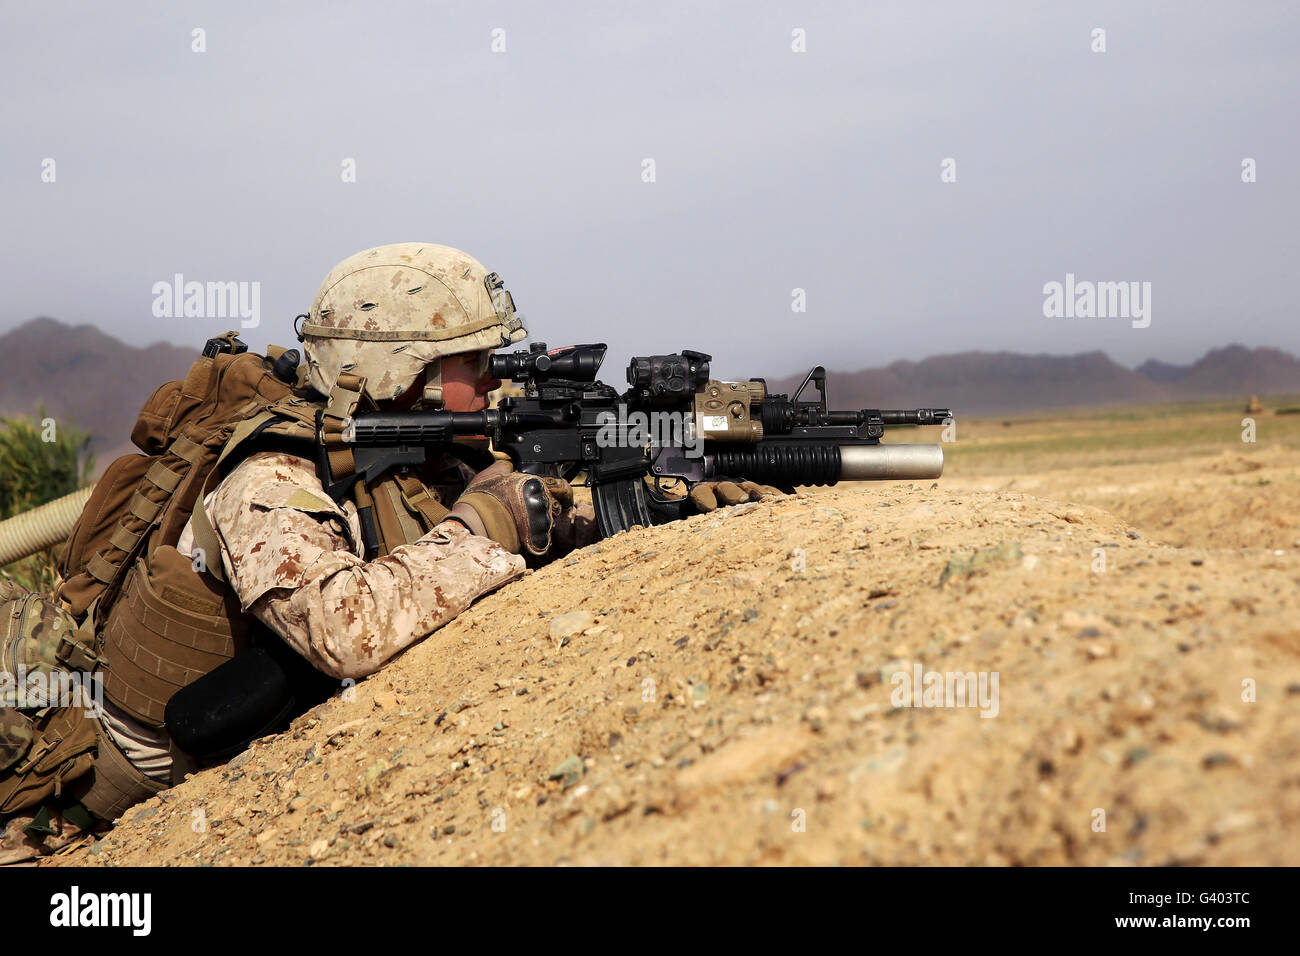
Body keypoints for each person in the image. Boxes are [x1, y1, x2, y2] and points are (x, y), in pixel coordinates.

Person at [0, 242, 777, 863]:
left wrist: (660, 501)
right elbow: (346, 631)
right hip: (86, 804)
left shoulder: (417, 456)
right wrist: (487, 532)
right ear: (401, 375)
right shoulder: (271, 480)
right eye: (475, 365)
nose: (497, 383)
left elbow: (492, 517)